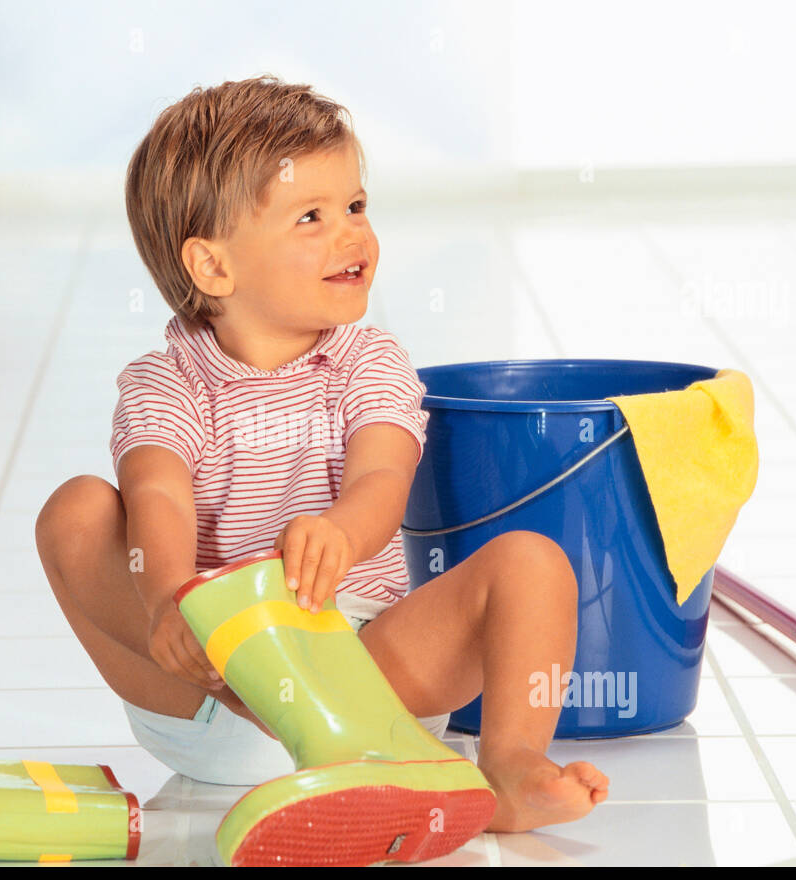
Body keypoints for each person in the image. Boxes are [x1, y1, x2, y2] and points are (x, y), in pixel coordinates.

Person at [36, 74, 608, 832]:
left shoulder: (369, 361)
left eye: (356, 206)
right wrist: (170, 599)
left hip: (366, 681)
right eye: (312, 216)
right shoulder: (164, 381)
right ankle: (263, 698)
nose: (353, 235)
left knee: (531, 562)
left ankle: (507, 765)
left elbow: (383, 476)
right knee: (75, 510)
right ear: (213, 267)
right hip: (211, 694)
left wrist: (341, 531)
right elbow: (158, 497)